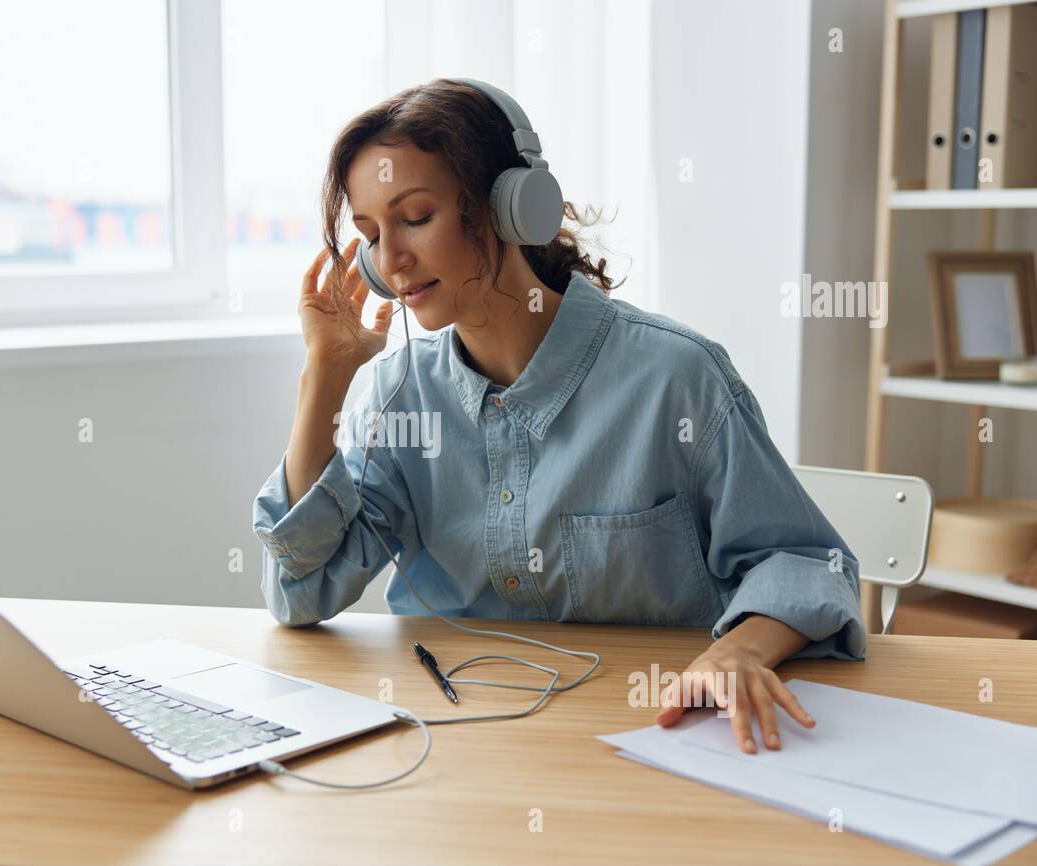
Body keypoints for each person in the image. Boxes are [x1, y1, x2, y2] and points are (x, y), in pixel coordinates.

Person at [253, 78, 863, 755]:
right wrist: (326, 376)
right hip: (455, 741)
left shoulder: (676, 378)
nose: (390, 261)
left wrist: (743, 651)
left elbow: (809, 559)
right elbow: (299, 590)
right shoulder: (398, 393)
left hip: (658, 735)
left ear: (514, 208)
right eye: (370, 236)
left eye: (415, 217)